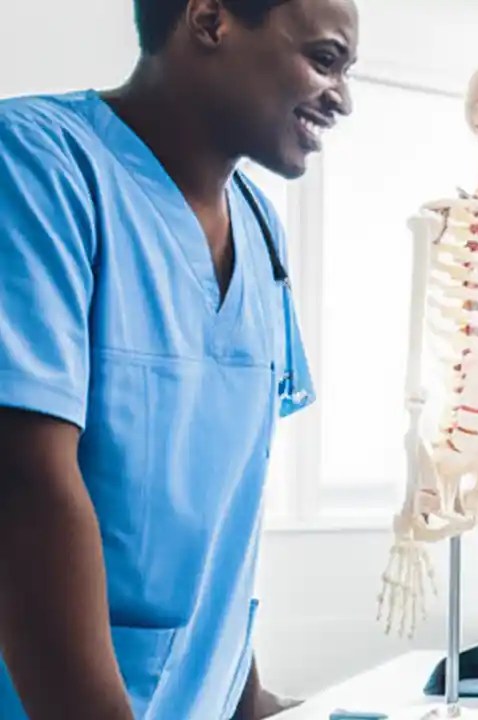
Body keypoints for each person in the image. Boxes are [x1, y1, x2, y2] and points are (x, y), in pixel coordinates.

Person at [0, 0, 357, 717]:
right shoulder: (38, 164)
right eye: (324, 60)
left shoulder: (259, 231)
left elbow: (218, 511)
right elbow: (23, 483)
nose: (343, 99)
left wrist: (250, 699)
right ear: (209, 19)